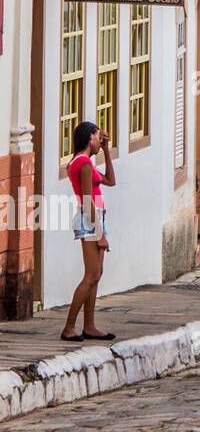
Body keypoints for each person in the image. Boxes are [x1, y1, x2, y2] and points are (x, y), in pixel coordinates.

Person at [60, 121, 116, 343]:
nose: (99, 140)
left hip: (96, 217)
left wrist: (107, 152)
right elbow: (86, 200)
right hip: (90, 220)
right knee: (91, 275)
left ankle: (89, 326)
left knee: (96, 275)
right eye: (97, 137)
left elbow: (111, 181)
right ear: (88, 138)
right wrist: (100, 233)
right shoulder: (82, 163)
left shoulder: (87, 164)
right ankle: (69, 327)